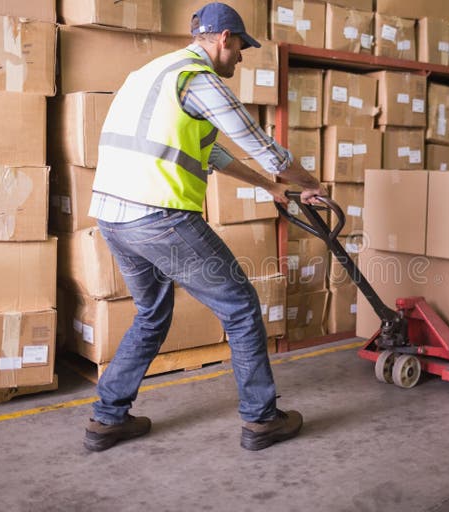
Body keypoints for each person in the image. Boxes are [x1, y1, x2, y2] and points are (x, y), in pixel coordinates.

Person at [83, 2, 325, 452]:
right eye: (240, 48)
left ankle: (107, 418)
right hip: (158, 216)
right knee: (240, 305)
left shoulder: (151, 74)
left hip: (113, 218)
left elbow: (212, 153)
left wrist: (272, 188)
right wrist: (309, 182)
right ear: (223, 39)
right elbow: (259, 143)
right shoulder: (199, 79)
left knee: (152, 312)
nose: (241, 57)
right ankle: (261, 419)